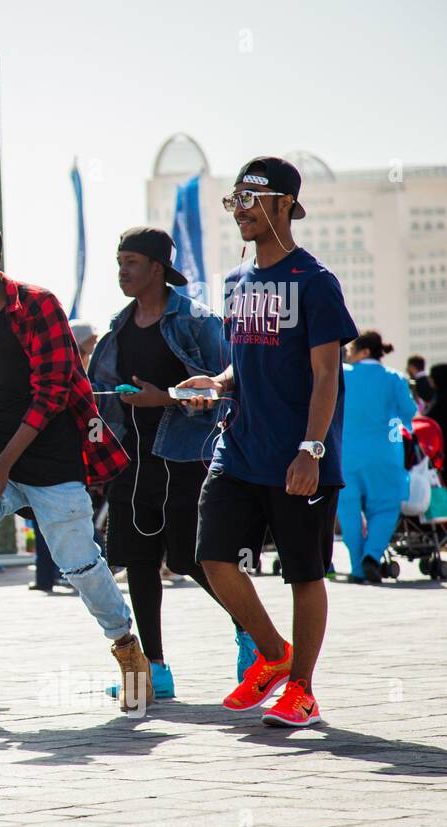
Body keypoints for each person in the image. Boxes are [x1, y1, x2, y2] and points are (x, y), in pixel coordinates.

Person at [0, 217, 146, 725]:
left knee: (80, 564)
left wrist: (5, 463)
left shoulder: (38, 304)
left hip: (51, 448)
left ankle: (129, 649)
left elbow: (55, 389)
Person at [177, 156, 358, 728]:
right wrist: (214, 382)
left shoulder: (316, 282)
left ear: (286, 204)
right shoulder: (235, 282)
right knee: (210, 556)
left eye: (253, 198)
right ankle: (272, 653)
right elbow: (242, 367)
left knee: (304, 574)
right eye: (236, 199)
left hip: (299, 456)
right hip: (240, 448)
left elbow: (327, 376)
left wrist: (312, 448)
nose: (242, 211)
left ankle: (302, 688)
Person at [89, 226, 243, 699]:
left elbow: (230, 387)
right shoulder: (116, 326)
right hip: (131, 460)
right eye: (119, 262)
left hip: (185, 454)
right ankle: (153, 669)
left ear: (158, 268)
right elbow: (95, 394)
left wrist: (168, 399)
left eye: (131, 262)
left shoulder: (197, 320)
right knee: (138, 561)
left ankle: (253, 632)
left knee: (188, 555)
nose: (122, 271)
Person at [337, 330, 418, 584]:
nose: (347, 355)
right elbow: (410, 412)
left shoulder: (343, 375)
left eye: (351, 351)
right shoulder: (395, 378)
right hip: (385, 455)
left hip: (346, 455)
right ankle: (372, 556)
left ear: (364, 351)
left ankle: (357, 568)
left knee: (348, 510)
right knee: (385, 508)